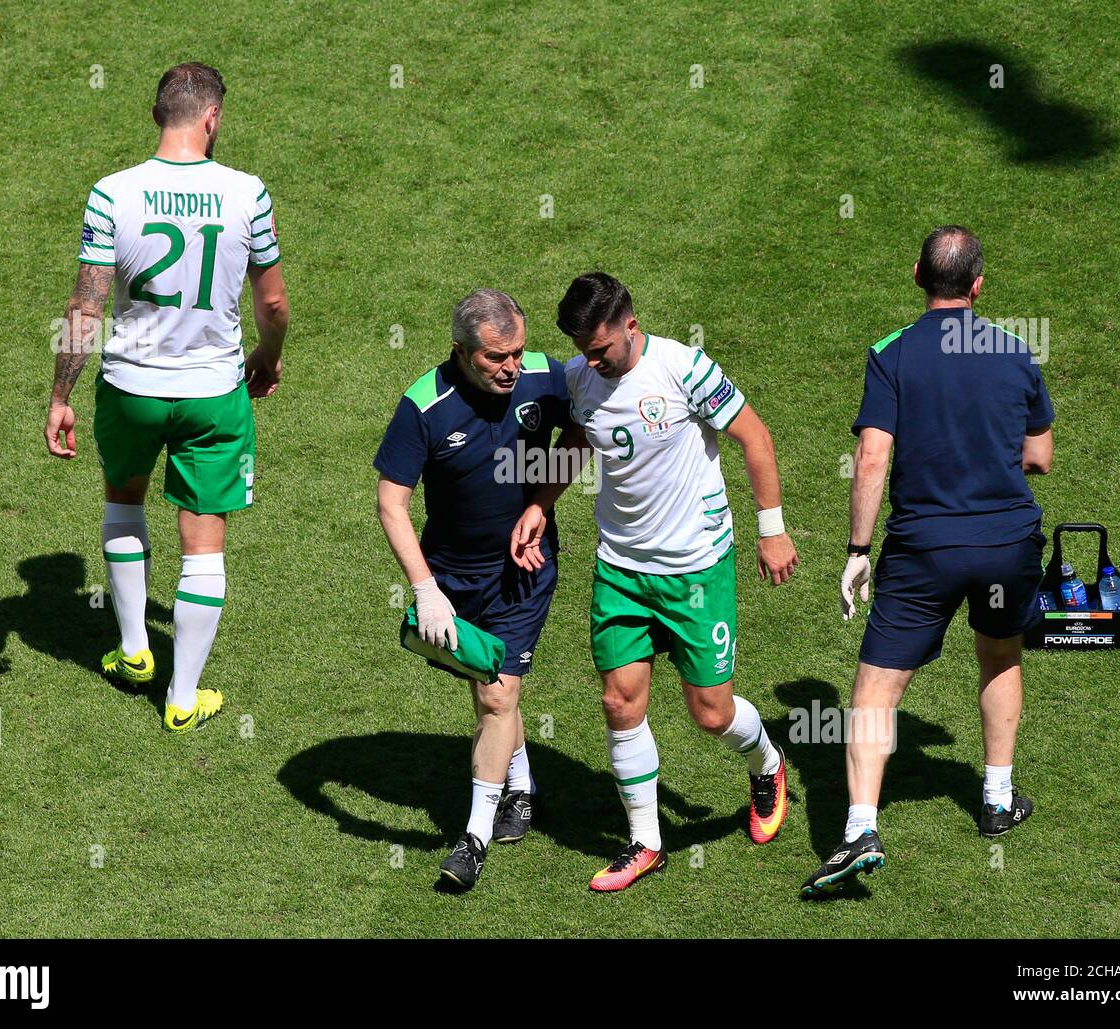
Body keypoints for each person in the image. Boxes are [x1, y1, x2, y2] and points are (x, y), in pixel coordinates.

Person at [512, 272, 799, 892]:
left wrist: (772, 530)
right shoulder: (580, 377)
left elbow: (754, 436)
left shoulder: (684, 369)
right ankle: (646, 843)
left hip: (695, 568)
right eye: (582, 351)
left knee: (710, 713)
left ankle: (767, 763)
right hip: (621, 568)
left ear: (631, 326)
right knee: (619, 702)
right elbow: (577, 440)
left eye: (600, 349)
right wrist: (540, 504)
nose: (591, 362)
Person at [802, 225, 1054, 896]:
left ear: (918, 275)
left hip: (924, 553)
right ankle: (997, 799)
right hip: (1007, 547)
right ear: (978, 285)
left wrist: (858, 551)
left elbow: (872, 457)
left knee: (876, 689)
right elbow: (1039, 457)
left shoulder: (891, 354)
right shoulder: (1015, 351)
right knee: (999, 655)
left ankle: (861, 828)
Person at [45, 62, 289, 733]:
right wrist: (268, 355)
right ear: (212, 117)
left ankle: (133, 650)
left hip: (130, 388)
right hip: (213, 393)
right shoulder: (248, 193)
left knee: (124, 500)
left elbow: (85, 308)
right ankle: (182, 697)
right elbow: (272, 303)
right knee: (203, 544)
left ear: (157, 115)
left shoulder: (111, 193)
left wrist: (60, 394)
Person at [375, 289, 572, 891]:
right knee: (488, 687)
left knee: (496, 696)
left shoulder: (545, 377)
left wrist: (540, 503)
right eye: (495, 358)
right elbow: (391, 503)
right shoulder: (424, 406)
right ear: (460, 351)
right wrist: (426, 589)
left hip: (523, 569)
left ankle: (474, 836)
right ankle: (522, 784)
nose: (511, 367)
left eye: (517, 352)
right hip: (451, 577)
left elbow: (584, 434)